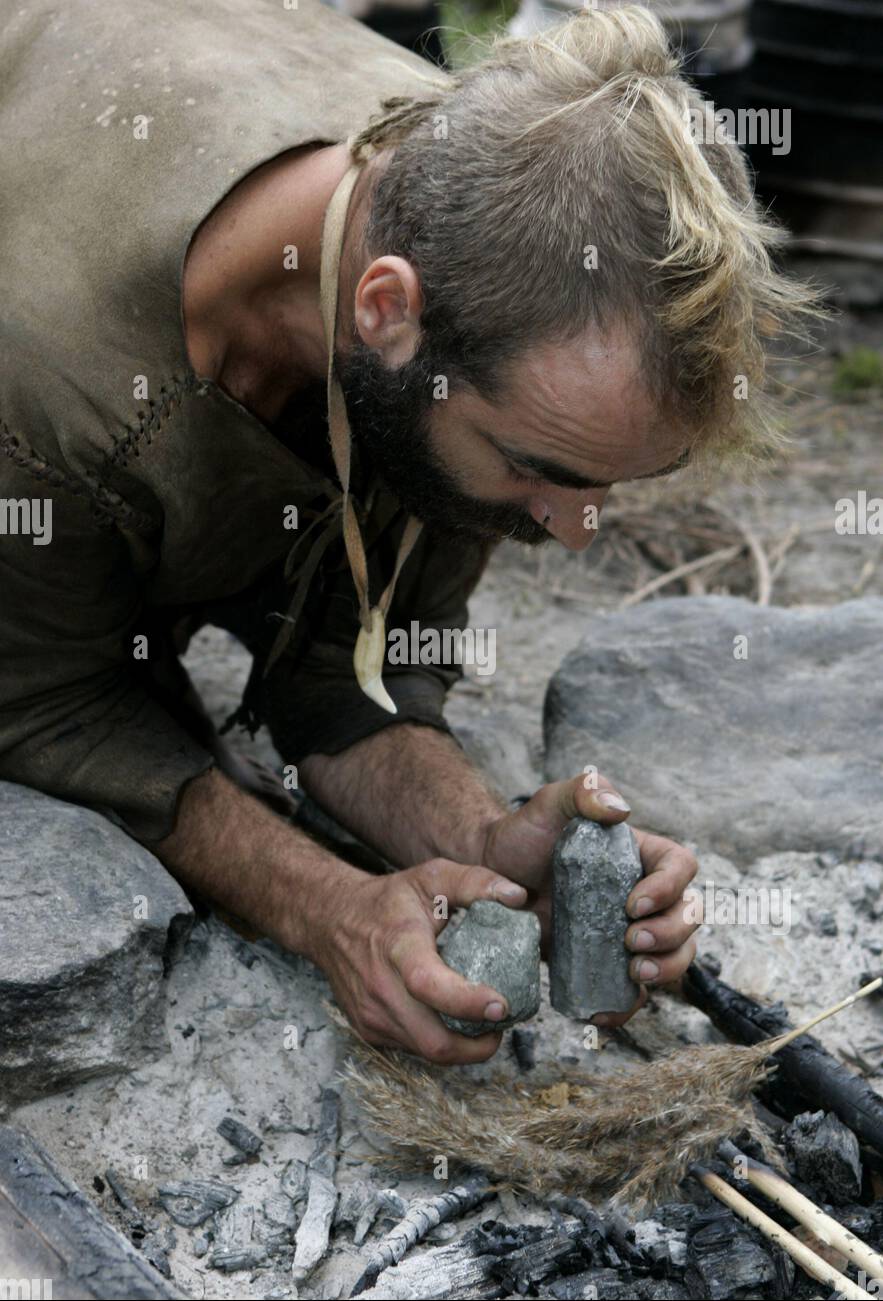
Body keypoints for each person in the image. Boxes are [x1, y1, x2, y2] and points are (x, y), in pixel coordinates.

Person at [0, 1, 817, 1062]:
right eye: (541, 470)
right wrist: (324, 905)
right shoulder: (49, 382)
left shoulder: (481, 209)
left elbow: (354, 663)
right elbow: (35, 699)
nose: (574, 533)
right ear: (387, 310)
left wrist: (482, 838)